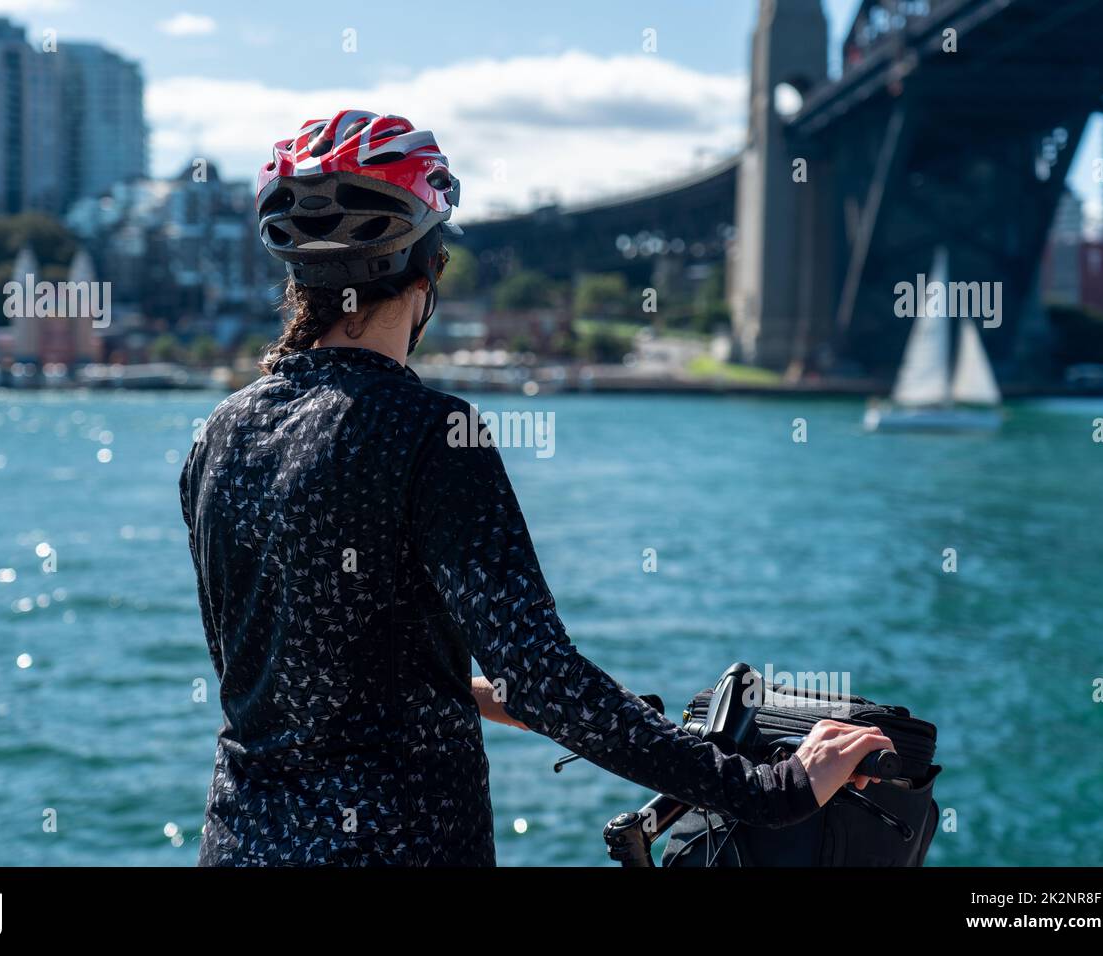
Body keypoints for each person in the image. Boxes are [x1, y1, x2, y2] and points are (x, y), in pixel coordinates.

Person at [179, 110, 892, 866]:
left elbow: (273, 668)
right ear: (431, 270)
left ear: (298, 281)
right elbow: (546, 681)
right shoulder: (432, 433)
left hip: (239, 843)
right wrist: (772, 789)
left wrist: (465, 688)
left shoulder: (219, 434)